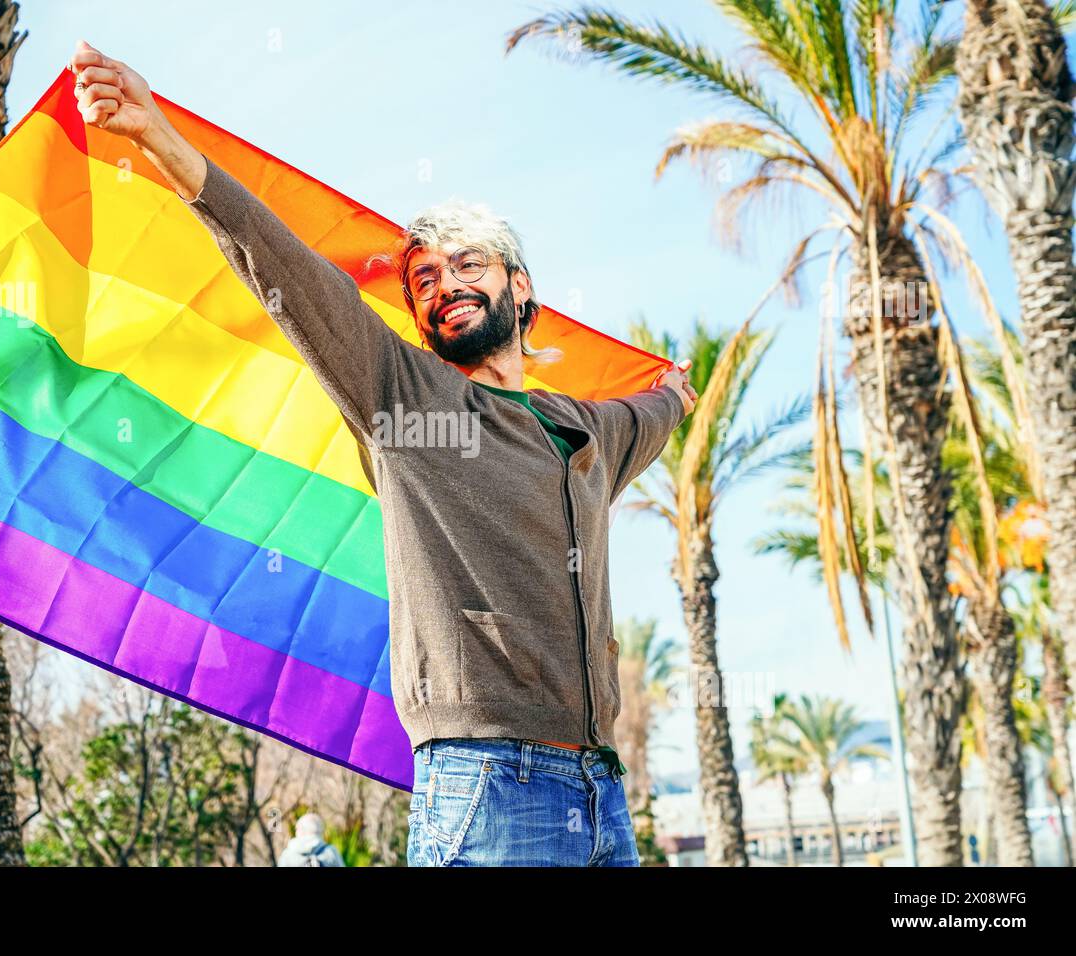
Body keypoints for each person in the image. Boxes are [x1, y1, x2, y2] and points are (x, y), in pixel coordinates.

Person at [69, 40, 697, 867]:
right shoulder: (405, 398)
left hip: (601, 791)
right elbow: (288, 272)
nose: (445, 285)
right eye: (426, 280)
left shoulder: (586, 431)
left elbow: (654, 412)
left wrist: (677, 395)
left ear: (523, 291)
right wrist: (159, 138)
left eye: (469, 263)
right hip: (486, 785)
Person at [278, 813, 345, 867]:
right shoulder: (331, 851)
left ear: (301, 830)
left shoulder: (288, 854)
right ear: (318, 831)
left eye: (297, 829)